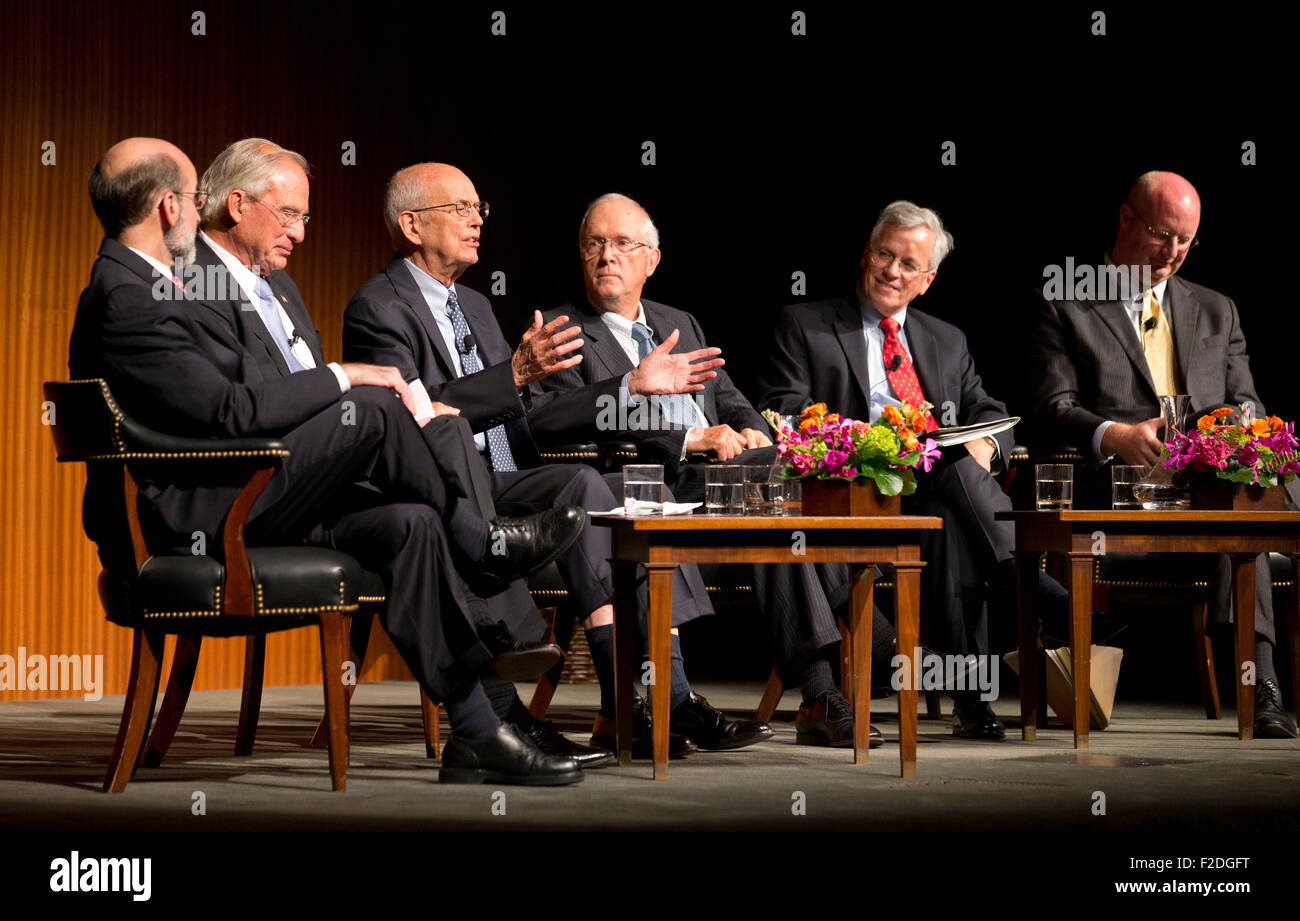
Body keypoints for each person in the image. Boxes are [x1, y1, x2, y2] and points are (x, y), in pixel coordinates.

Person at [68, 137, 588, 785]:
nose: (201, 210)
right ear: (171, 205)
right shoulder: (134, 296)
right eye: (196, 196)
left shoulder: (162, 285)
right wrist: (344, 378)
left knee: (411, 524)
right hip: (205, 514)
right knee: (371, 407)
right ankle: (482, 544)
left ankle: (480, 730)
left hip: (253, 488)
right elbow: (228, 413)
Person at [343, 164, 772, 757]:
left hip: (508, 474)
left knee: (593, 486)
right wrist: (516, 375)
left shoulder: (472, 303)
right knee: (593, 483)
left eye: (479, 208)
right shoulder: (378, 307)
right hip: (447, 488)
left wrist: (610, 388)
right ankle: (638, 703)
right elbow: (415, 415)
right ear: (412, 225)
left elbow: (529, 412)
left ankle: (648, 704)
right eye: (460, 209)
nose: (476, 221)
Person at [537, 192, 890, 749]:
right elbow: (555, 422)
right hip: (630, 485)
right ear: (581, 256)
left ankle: (823, 688)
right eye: (594, 244)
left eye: (623, 244)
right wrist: (687, 437)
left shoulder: (679, 323)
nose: (608, 256)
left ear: (651, 259)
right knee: (767, 485)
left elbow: (731, 397)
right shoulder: (563, 330)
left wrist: (751, 429)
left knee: (775, 470)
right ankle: (835, 665)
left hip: (714, 484)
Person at [759, 199, 1069, 740]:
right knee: (946, 484)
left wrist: (988, 449)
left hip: (929, 492)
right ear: (866, 255)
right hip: (853, 490)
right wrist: (868, 441)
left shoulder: (945, 339)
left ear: (927, 280)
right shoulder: (806, 323)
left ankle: (970, 696)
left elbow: (991, 412)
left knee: (950, 503)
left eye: (909, 265)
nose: (893, 272)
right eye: (885, 255)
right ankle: (1026, 581)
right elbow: (783, 411)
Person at [1031, 170, 1297, 738]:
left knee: (1246, 505)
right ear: (1126, 219)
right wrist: (1117, 435)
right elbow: (1052, 407)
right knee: (1244, 520)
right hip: (1121, 491)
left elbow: (1246, 400)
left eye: (1186, 240)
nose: (1173, 253)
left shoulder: (1216, 308)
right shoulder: (1066, 300)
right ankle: (1262, 684)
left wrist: (1233, 430)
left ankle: (1263, 684)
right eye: (1160, 234)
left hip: (1208, 486)